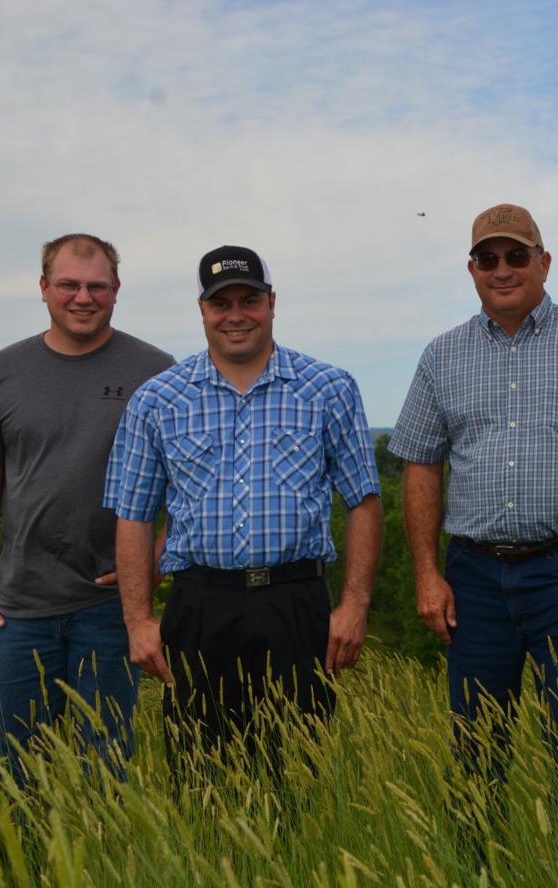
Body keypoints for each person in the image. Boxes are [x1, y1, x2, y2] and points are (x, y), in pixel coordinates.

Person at [389, 203, 558, 787]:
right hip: (474, 579)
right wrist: (427, 575)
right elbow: (421, 467)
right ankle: (477, 870)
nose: (502, 268)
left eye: (516, 255)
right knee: (476, 751)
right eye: (488, 258)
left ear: (544, 262)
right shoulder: (442, 355)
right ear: (472, 268)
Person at [106, 244, 382, 780]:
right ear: (202, 310)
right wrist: (138, 621)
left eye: (249, 299)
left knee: (302, 773)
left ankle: (299, 863)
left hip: (295, 602)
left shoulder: (328, 388)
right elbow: (133, 516)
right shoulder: (158, 399)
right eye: (220, 302)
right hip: (199, 604)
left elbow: (364, 502)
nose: (236, 314)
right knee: (201, 776)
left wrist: (353, 606)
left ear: (272, 302)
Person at [0, 233, 175, 784]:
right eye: (69, 285)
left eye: (97, 286)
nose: (83, 297)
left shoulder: (157, 371)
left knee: (103, 766)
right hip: (20, 606)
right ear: (44, 288)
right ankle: (16, 870)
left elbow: (190, 483)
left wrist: (155, 560)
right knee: (11, 771)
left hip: (110, 607)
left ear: (116, 291)